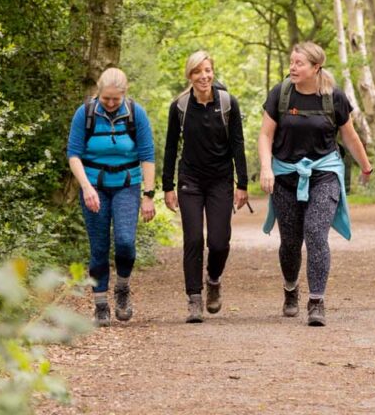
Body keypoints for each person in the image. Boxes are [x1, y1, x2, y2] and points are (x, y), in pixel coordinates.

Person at [258, 42, 373, 327]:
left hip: (324, 173)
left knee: (316, 233)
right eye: (292, 62)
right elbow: (265, 135)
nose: (293, 68)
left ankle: (317, 301)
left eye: (299, 63)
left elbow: (349, 136)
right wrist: (265, 168)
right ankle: (290, 289)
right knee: (290, 241)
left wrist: (366, 165)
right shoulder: (280, 94)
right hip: (285, 176)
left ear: (316, 67)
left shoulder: (333, 97)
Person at [66, 68, 156, 327]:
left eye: (116, 99)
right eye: (106, 99)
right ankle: (101, 304)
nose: (111, 103)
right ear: (98, 92)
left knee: (125, 242)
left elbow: (147, 155)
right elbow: (74, 154)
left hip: (127, 184)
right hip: (94, 185)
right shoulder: (85, 113)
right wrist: (86, 187)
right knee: (99, 246)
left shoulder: (135, 113)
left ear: (124, 95)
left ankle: (123, 287)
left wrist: (148, 195)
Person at [162, 51, 248, 323]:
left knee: (219, 242)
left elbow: (237, 144)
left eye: (207, 70)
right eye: (198, 71)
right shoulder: (180, 107)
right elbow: (171, 146)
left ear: (213, 72)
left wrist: (242, 184)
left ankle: (213, 279)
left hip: (220, 179)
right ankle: (194, 299)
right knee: (194, 239)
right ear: (190, 76)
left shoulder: (227, 103)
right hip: (191, 180)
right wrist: (167, 186)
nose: (204, 76)